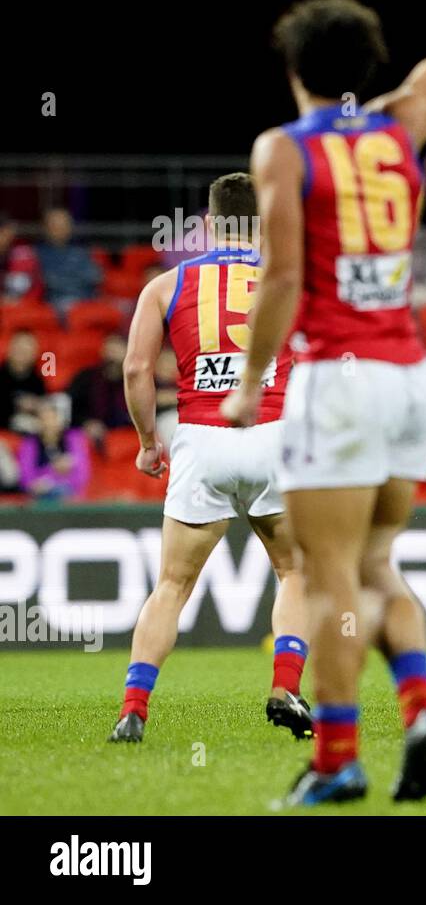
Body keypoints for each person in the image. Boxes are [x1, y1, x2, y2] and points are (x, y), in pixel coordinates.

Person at [220, 0, 426, 807]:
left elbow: (280, 277)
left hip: (337, 380)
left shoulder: (284, 148)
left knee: (327, 581)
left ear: (294, 69)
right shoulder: (402, 122)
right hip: (411, 377)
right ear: (370, 64)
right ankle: (422, 709)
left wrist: (248, 385)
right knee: (377, 566)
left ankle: (338, 763)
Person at [107, 173, 311, 744]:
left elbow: (135, 370)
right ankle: (286, 686)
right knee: (295, 571)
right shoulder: (289, 282)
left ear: (211, 223)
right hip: (273, 432)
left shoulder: (164, 286)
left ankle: (133, 708)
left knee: (171, 584)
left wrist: (149, 441)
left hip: (201, 436)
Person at [67, 334, 133, 452]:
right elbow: (70, 406)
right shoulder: (86, 377)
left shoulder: (134, 380)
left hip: (126, 430)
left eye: (117, 351)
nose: (112, 356)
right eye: (109, 351)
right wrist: (86, 423)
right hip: (90, 430)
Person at [18, 398, 90, 499]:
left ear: (59, 419)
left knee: (61, 492)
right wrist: (52, 471)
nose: (48, 423)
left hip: (69, 494)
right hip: (39, 495)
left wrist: (56, 479)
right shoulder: (30, 443)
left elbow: (82, 474)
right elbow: (26, 477)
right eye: (43, 419)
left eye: (52, 418)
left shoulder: (73, 438)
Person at [33, 208, 103, 311]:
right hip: (55, 305)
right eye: (56, 226)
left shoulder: (80, 252)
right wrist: (75, 278)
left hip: (85, 301)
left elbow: (95, 276)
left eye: (65, 225)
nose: (62, 229)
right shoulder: (36, 254)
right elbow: (48, 281)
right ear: (46, 228)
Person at [0, 330, 46, 433]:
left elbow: (42, 402)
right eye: (19, 349)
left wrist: (35, 405)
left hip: (32, 426)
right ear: (10, 350)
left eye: (26, 351)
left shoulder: (37, 379)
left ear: (34, 354)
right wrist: (17, 405)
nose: (22, 355)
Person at [0, 213, 42, 302]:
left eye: (7, 231)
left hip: (23, 306)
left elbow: (30, 287)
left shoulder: (22, 252)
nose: (7, 234)